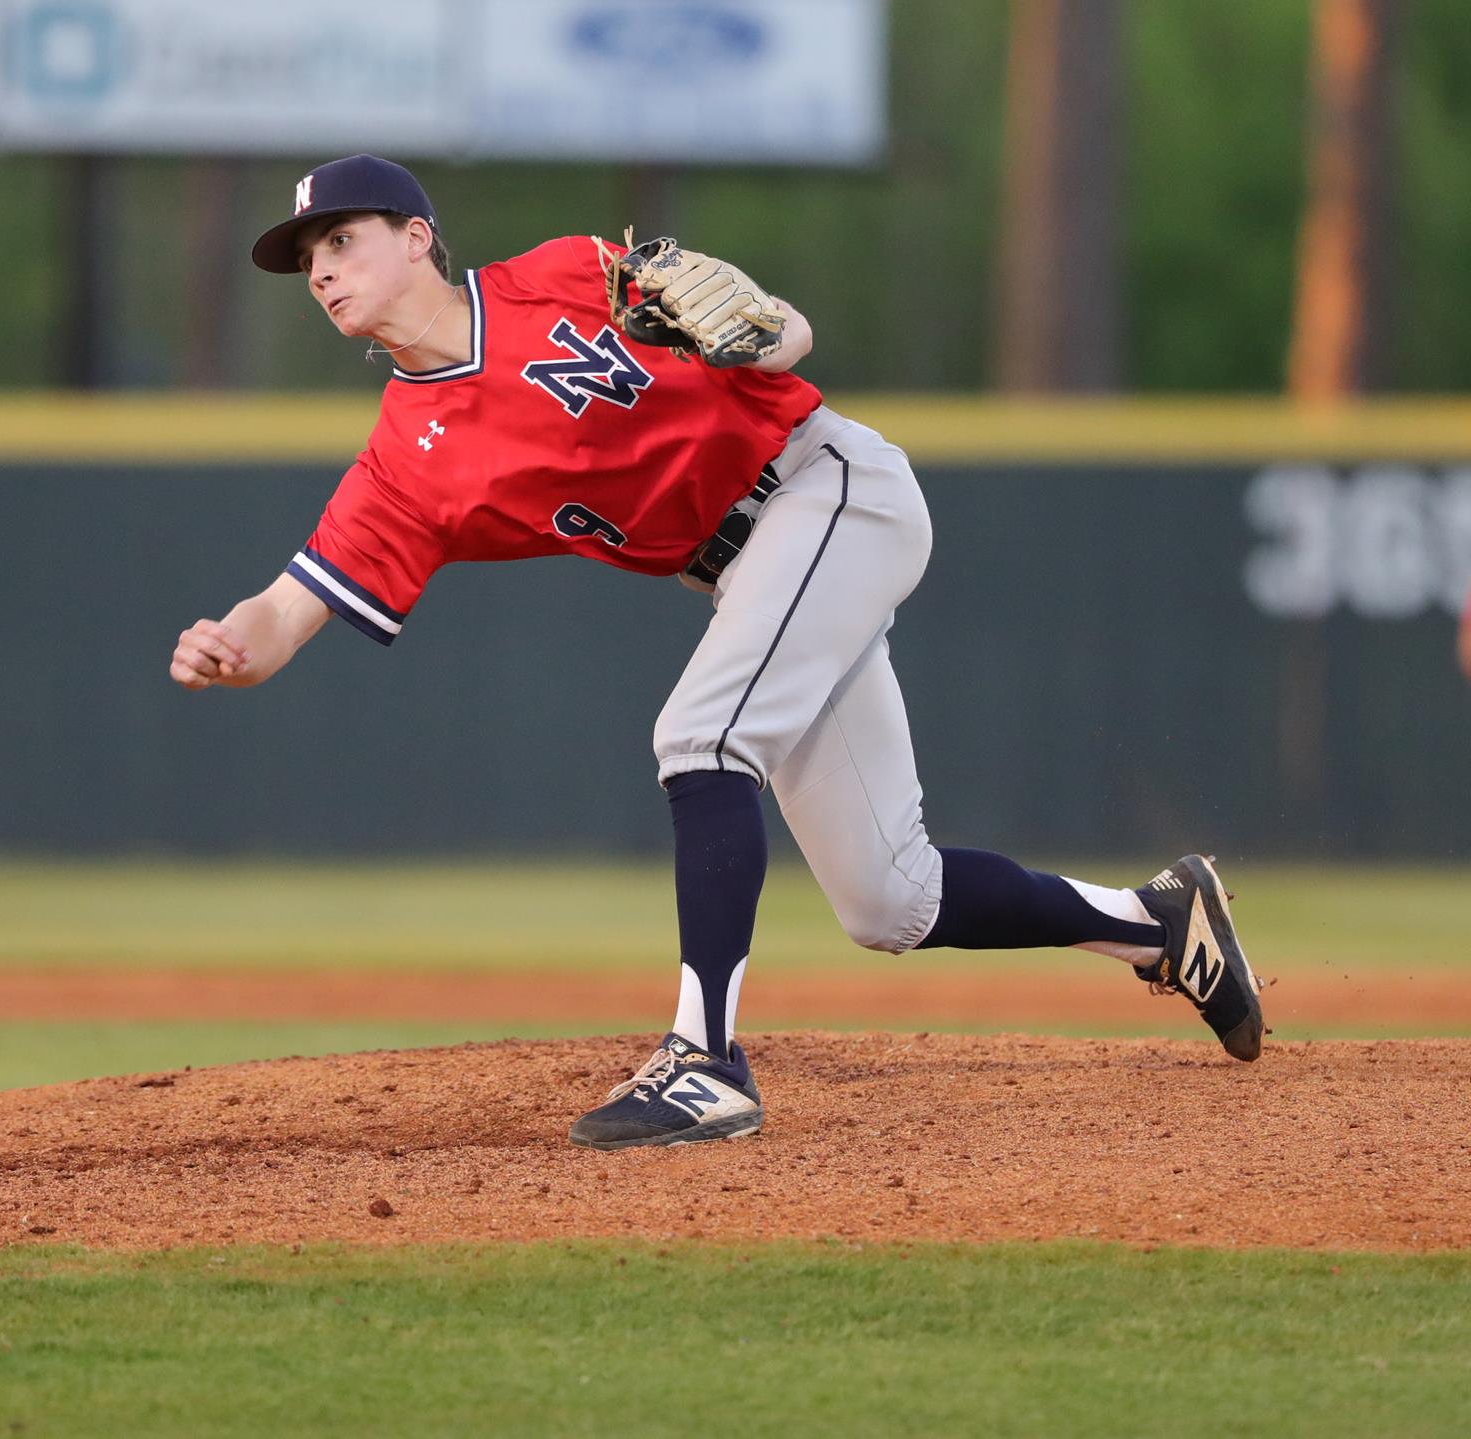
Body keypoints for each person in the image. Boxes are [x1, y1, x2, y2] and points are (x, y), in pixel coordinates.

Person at [169, 155, 1264, 1150]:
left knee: (700, 736)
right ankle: (1156, 921)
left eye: (341, 239)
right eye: (306, 259)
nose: (320, 270)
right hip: (751, 571)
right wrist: (233, 647)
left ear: (417, 237)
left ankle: (705, 1061)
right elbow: (287, 605)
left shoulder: (559, 275)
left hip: (823, 484)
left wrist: (760, 330)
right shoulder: (403, 466)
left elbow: (779, 334)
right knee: (891, 900)